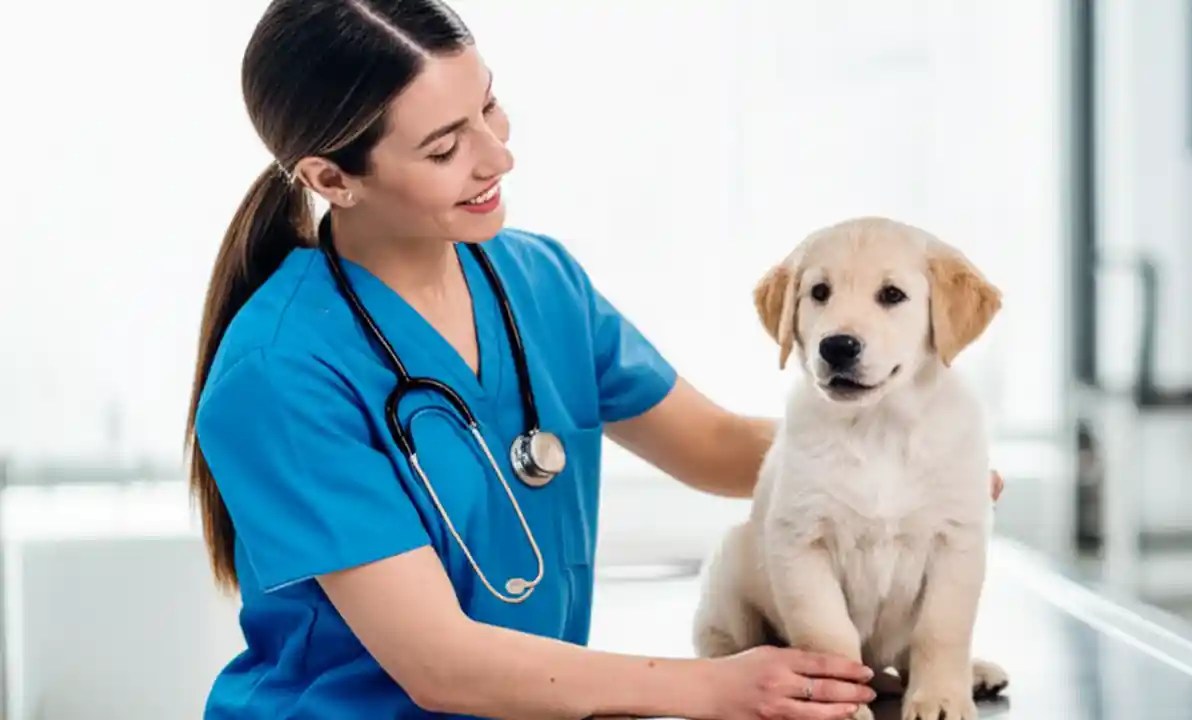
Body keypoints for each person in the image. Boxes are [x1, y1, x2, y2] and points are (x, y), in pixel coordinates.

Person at [186, 2, 1004, 718]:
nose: (496, 157)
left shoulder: (538, 284)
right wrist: (713, 687)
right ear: (333, 177)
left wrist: (898, 460)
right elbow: (439, 665)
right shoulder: (279, 374)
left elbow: (711, 444)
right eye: (444, 148)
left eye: (489, 106)